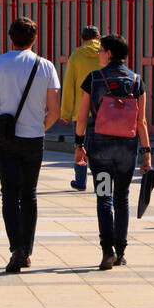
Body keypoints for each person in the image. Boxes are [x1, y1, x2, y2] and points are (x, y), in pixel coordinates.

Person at [0, 16, 60, 273]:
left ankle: (15, 246)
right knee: (30, 194)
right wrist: (39, 127)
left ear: (9, 37)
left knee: (9, 194)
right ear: (34, 39)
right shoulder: (46, 66)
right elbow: (55, 110)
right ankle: (27, 250)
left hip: (5, 140)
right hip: (34, 139)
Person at [74, 33, 152, 270]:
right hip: (126, 152)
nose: (98, 54)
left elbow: (81, 117)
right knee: (122, 198)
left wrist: (78, 145)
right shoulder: (137, 80)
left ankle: (107, 249)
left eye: (101, 51)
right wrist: (146, 153)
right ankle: (121, 250)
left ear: (109, 53)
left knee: (104, 196)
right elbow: (141, 122)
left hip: (100, 151)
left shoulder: (94, 79)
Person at [60, 25, 102, 191]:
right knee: (100, 150)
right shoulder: (106, 53)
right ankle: (102, 185)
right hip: (104, 112)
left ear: (82, 39)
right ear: (98, 38)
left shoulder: (77, 55)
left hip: (81, 112)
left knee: (80, 146)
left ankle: (80, 181)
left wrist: (66, 112)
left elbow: (69, 84)